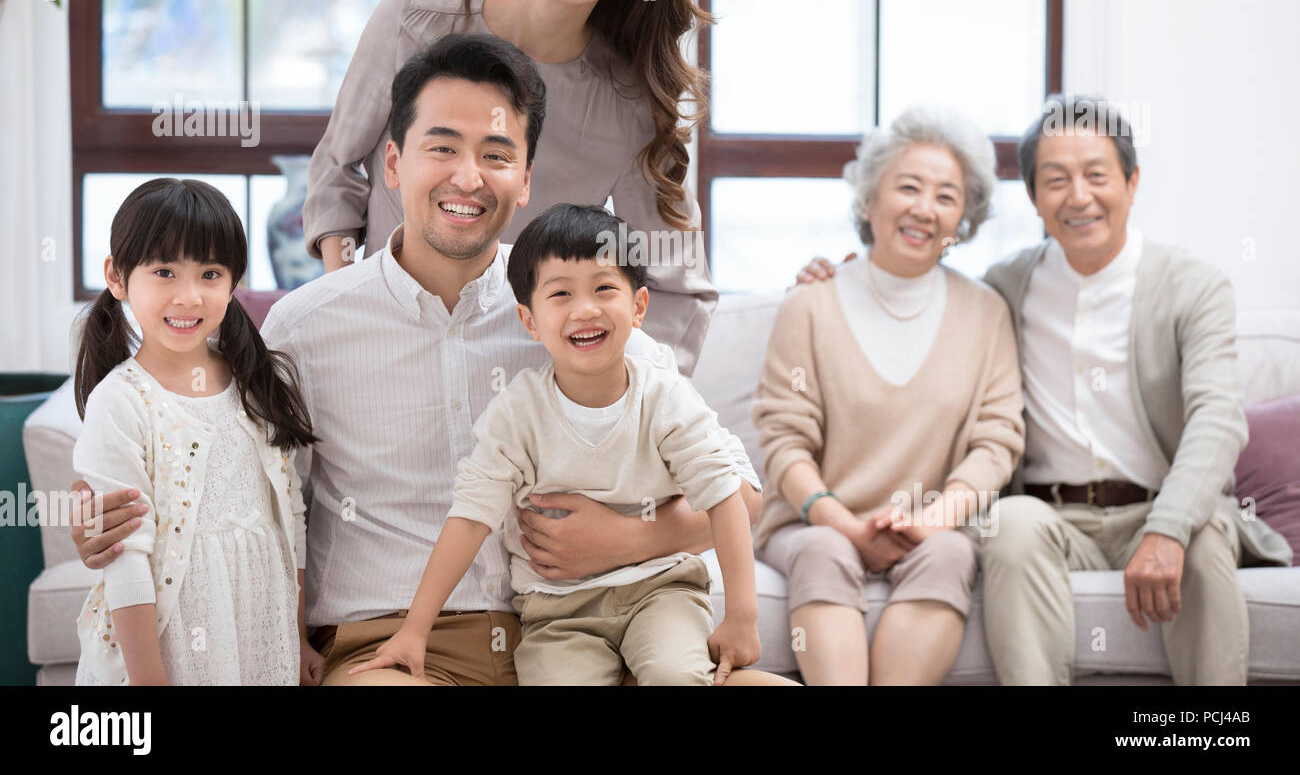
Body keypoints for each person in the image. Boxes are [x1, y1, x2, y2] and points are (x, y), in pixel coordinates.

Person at [72, 34, 776, 685]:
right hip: (395, 652)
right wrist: (108, 514)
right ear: (392, 163)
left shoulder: (573, 309)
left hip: (586, 631)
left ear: (526, 178)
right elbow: (222, 463)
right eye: (443, 147)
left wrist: (630, 537)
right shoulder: (306, 328)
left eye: (497, 155)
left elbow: (741, 490)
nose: (468, 177)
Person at [796, 95, 1294, 685]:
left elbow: (1218, 417)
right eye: (1055, 180)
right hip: (1054, 517)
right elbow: (917, 290)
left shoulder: (1193, 285)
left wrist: (1166, 528)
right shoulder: (1004, 286)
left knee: (1203, 530)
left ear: (1132, 183)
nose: (1077, 196)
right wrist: (849, 275)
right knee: (1010, 523)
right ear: (1034, 197)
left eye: (1096, 175)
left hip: (1161, 504)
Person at [304, 0, 717, 375]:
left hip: (523, 383)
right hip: (377, 347)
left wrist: (616, 398)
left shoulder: (631, 102)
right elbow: (337, 168)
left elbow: (676, 281)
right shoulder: (414, 16)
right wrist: (348, 298)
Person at [348, 204, 761, 686]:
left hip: (661, 590)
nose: (585, 309)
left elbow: (725, 496)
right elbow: (470, 518)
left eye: (604, 288)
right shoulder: (517, 411)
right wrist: (414, 631)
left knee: (674, 675)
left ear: (639, 307)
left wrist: (742, 618)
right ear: (530, 320)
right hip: (558, 609)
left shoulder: (666, 397)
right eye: (561, 294)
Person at [753, 107, 1025, 685]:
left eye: (947, 196)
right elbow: (783, 441)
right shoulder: (810, 304)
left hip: (932, 526)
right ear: (869, 199)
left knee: (953, 554)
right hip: (815, 523)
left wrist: (934, 521)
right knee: (826, 550)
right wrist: (844, 525)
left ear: (964, 219)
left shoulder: (986, 313)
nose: (925, 208)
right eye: (908, 186)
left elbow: (997, 442)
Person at [70, 179, 320, 686]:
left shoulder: (261, 382)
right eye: (164, 272)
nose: (188, 296)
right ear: (117, 277)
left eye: (210, 273)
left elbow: (291, 521)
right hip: (164, 650)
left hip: (259, 631)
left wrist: (297, 640)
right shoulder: (120, 401)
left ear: (234, 283)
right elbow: (125, 560)